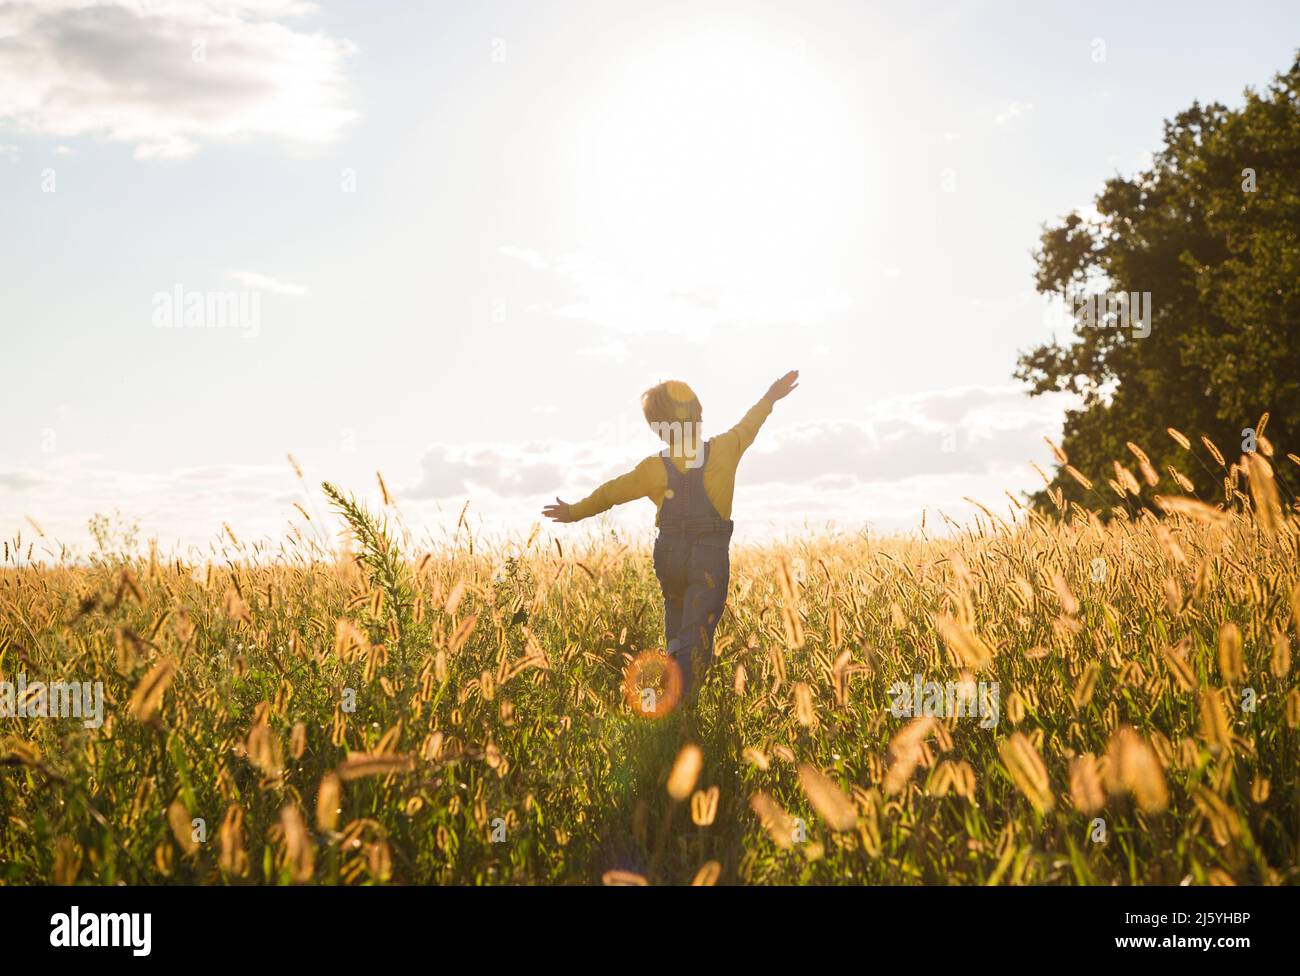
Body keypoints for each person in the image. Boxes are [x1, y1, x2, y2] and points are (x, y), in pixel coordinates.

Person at [543, 371, 799, 700]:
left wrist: (574, 511)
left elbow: (611, 492)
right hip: (707, 555)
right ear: (700, 415)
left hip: (669, 555)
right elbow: (751, 422)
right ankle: (681, 703)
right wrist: (770, 398)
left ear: (658, 429)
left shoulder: (654, 467)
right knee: (698, 635)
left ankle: (668, 684)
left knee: (676, 623)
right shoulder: (726, 448)